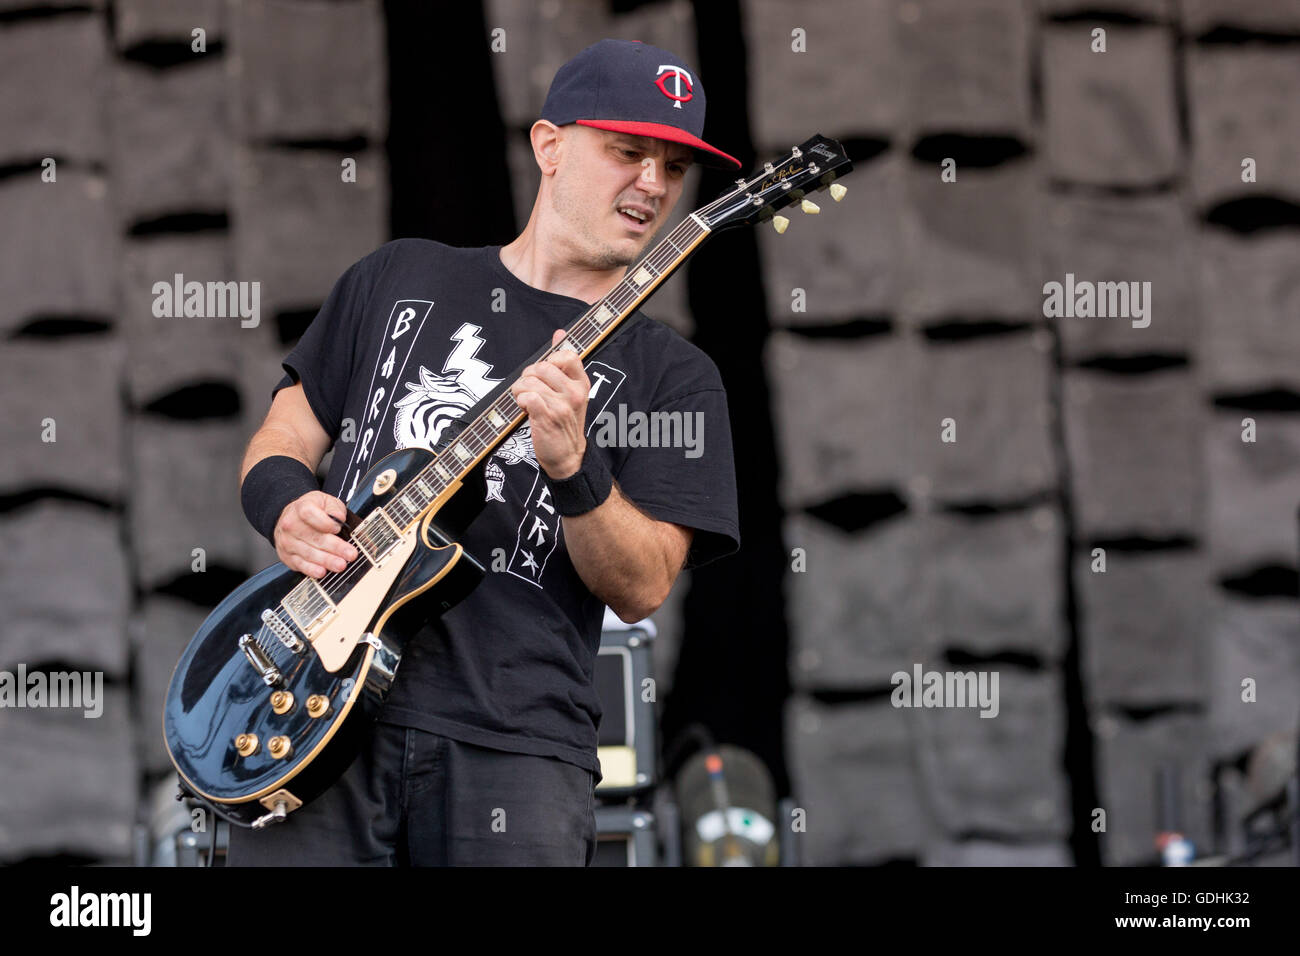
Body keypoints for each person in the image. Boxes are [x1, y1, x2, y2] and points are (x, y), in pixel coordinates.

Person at [227, 38, 741, 866]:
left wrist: (576, 468)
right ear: (549, 145)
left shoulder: (675, 375)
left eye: (673, 167)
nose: (652, 183)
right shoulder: (398, 277)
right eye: (627, 151)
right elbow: (282, 436)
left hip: (515, 749)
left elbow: (642, 586)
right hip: (312, 709)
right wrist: (285, 503)